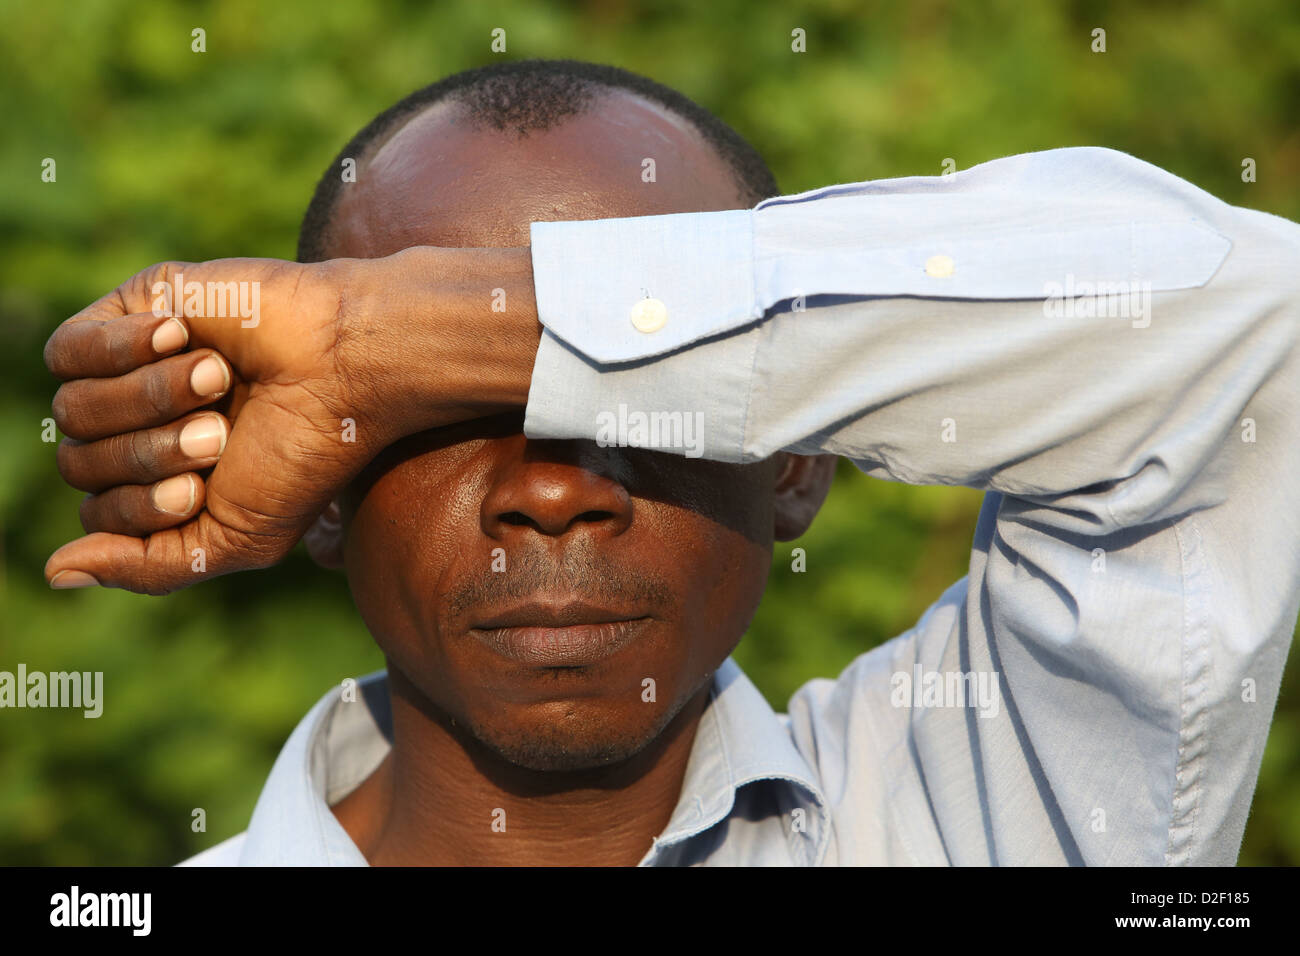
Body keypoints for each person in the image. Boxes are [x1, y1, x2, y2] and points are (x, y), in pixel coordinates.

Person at [43, 59, 1300, 866]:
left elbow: (1251, 318)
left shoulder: (972, 799)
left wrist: (382, 338)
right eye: (432, 411)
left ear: (797, 456)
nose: (552, 488)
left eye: (646, 396)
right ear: (320, 495)